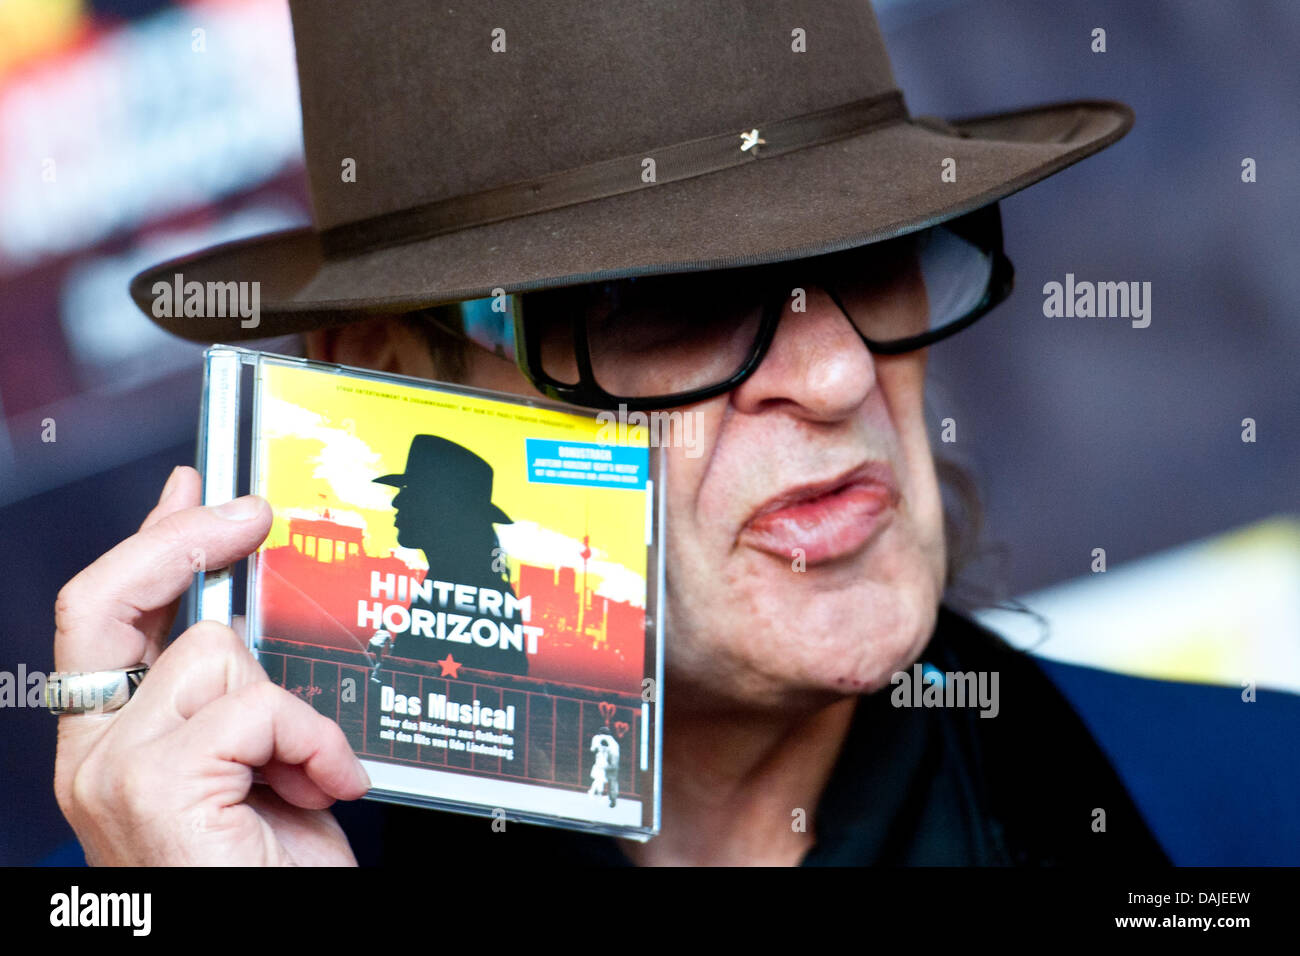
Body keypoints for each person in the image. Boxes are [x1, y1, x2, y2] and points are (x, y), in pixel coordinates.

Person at [50, 0, 1168, 865]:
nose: (833, 373)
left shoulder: (1248, 804)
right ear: (382, 370)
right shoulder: (168, 864)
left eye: (878, 256)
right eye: (664, 302)